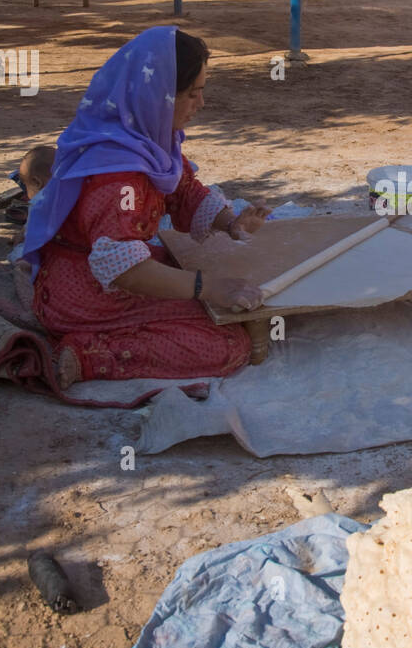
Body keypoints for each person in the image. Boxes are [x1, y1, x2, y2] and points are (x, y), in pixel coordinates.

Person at [23, 26, 267, 387]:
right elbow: (125, 271)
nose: (201, 104)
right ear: (159, 97)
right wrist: (207, 287)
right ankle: (89, 355)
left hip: (111, 268)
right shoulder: (118, 176)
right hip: (86, 293)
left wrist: (231, 223)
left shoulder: (146, 139)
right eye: (192, 94)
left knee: (216, 295)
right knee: (227, 343)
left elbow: (184, 192)